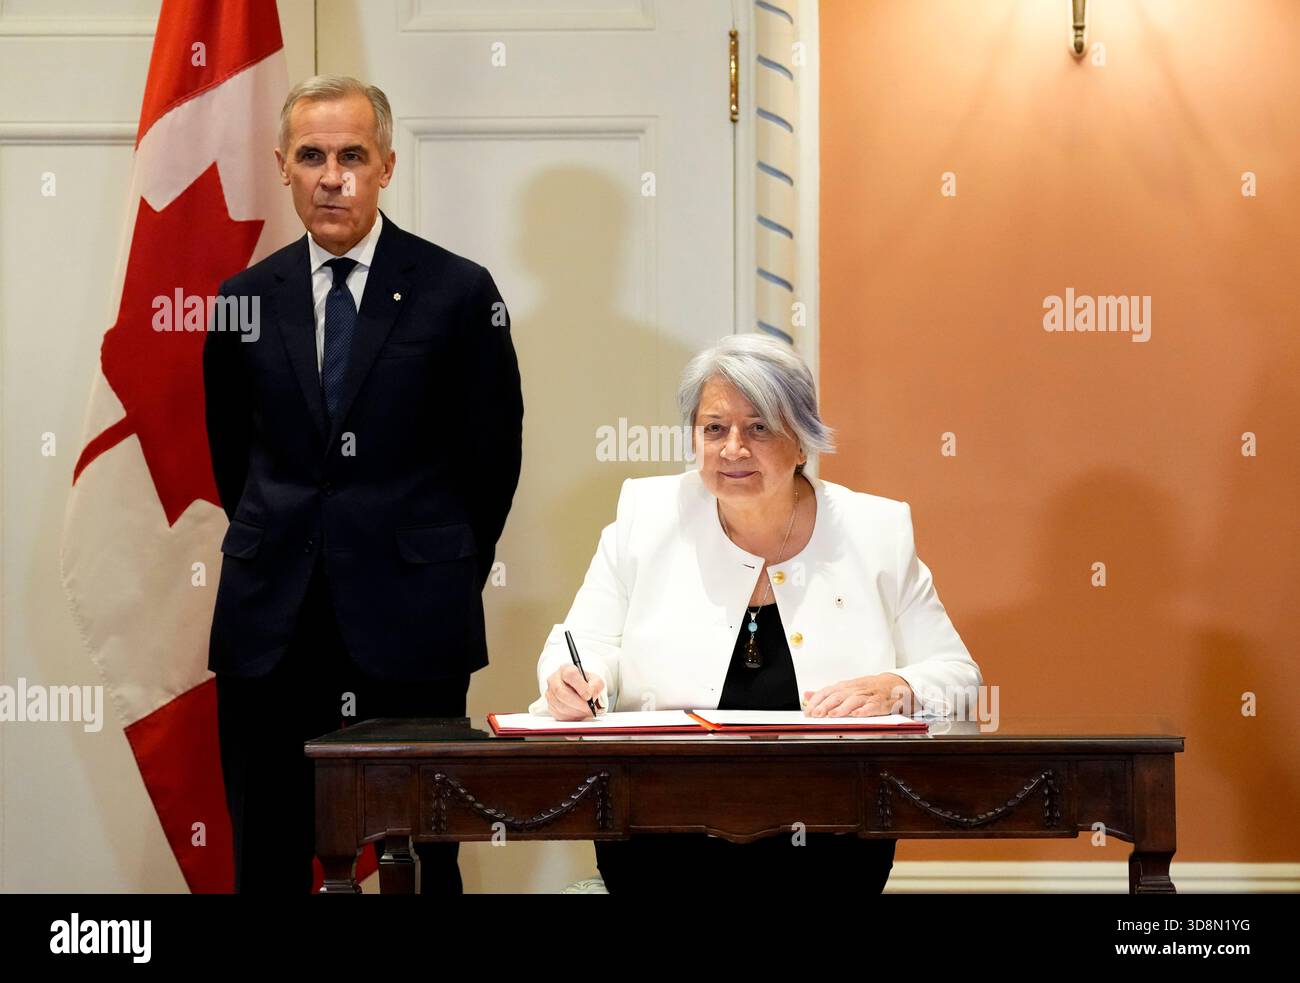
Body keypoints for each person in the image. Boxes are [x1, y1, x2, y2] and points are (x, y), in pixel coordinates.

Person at [203, 75, 523, 893]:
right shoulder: (242, 302)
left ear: (386, 164)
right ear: (283, 166)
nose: (331, 175)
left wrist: (437, 569)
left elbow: (491, 462)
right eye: (312, 156)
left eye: (352, 155)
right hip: (271, 622)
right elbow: (234, 461)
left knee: (421, 855)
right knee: (268, 853)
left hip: (412, 623)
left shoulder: (459, 293)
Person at [528, 333, 979, 894]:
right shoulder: (645, 516)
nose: (733, 448)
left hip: (832, 829)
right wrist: (578, 678)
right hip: (661, 824)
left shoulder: (874, 531)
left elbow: (961, 682)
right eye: (714, 428)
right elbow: (582, 644)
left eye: (760, 427)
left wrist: (898, 686)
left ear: (802, 442)